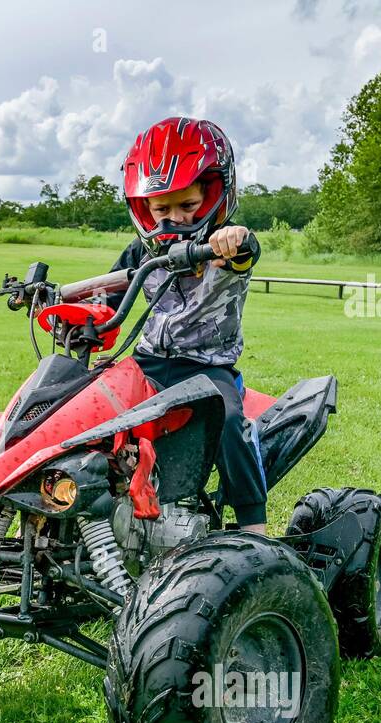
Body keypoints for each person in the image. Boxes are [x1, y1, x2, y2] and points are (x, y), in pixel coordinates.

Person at [104, 116, 267, 534]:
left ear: (214, 196)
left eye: (187, 206)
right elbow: (107, 299)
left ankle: (253, 525)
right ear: (144, 208)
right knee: (87, 408)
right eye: (161, 208)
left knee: (229, 422)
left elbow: (245, 251)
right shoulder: (140, 253)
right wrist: (61, 302)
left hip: (207, 369)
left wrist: (233, 243)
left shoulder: (226, 242)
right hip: (147, 363)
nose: (173, 219)